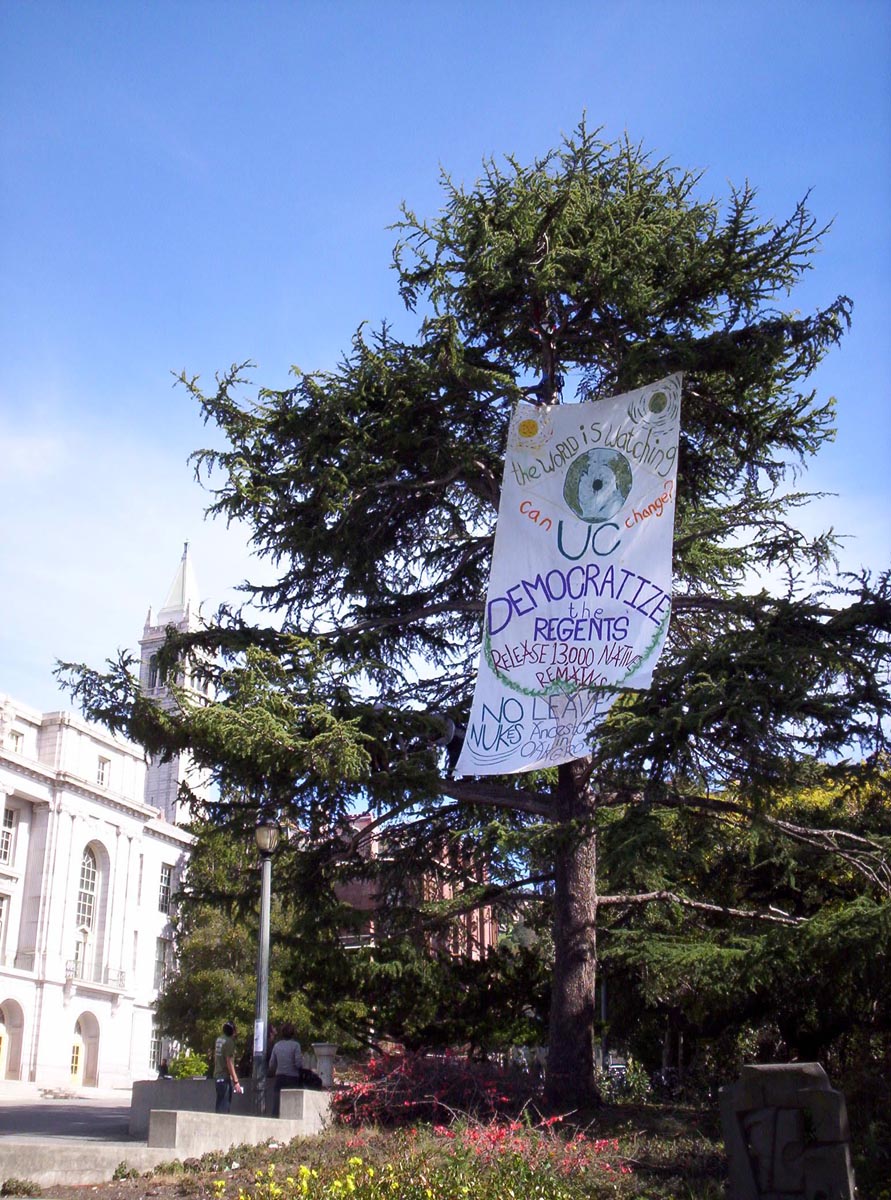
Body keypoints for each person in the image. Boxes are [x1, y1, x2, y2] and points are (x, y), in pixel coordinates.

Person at [268, 1022, 302, 1117]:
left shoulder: (277, 1045)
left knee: (277, 1104)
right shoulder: (296, 1045)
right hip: (293, 1078)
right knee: (291, 1105)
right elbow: (298, 1064)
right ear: (293, 1033)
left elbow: (271, 1064)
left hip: (280, 1077)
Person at [213, 1021, 243, 1113]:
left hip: (217, 1076)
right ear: (232, 1031)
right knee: (224, 1108)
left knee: (219, 1105)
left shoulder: (219, 1039)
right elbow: (229, 1062)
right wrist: (236, 1081)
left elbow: (216, 1057)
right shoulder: (229, 1042)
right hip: (224, 1078)